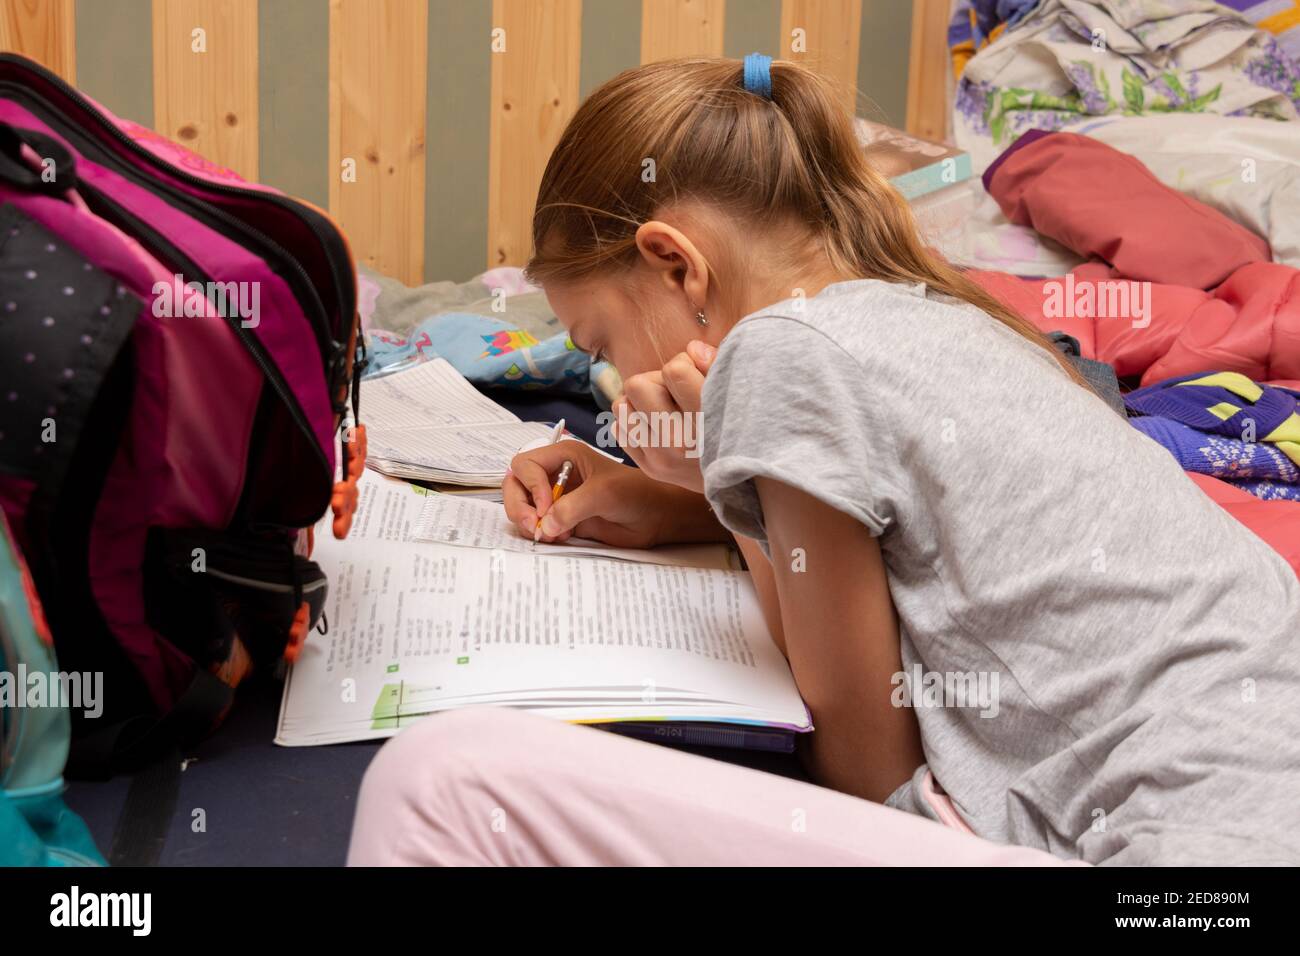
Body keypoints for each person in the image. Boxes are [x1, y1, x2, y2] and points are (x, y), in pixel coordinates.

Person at [348, 56, 1300, 866]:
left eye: (598, 338)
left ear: (677, 265)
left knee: (441, 781)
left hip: (1188, 850)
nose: (606, 373)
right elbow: (903, 524)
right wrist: (692, 493)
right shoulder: (936, 315)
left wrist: (726, 465)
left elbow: (862, 769)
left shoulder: (781, 355)